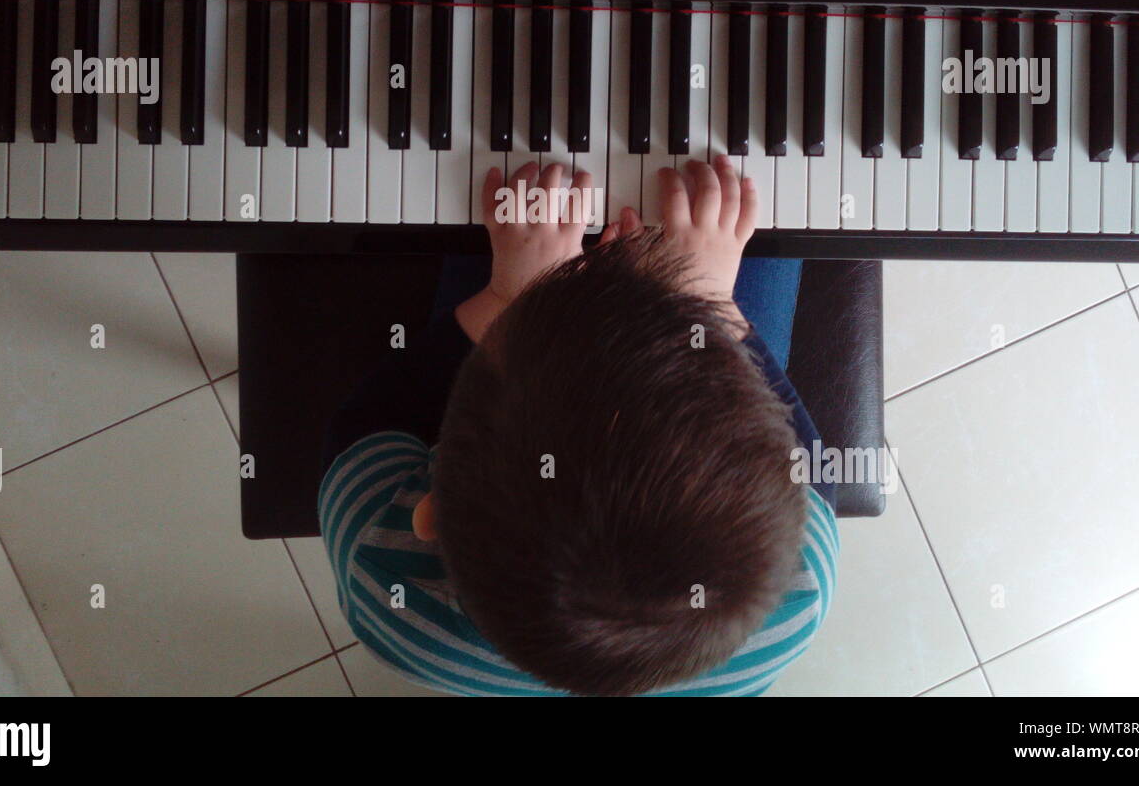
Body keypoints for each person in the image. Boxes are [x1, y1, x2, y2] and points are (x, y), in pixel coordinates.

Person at [319, 155, 837, 696]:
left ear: (431, 510)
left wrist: (511, 296)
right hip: (697, 338)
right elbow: (804, 457)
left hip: (519, 330)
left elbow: (367, 424)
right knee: (763, 182)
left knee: (500, 185)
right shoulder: (798, 593)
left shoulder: (384, 583)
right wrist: (707, 307)